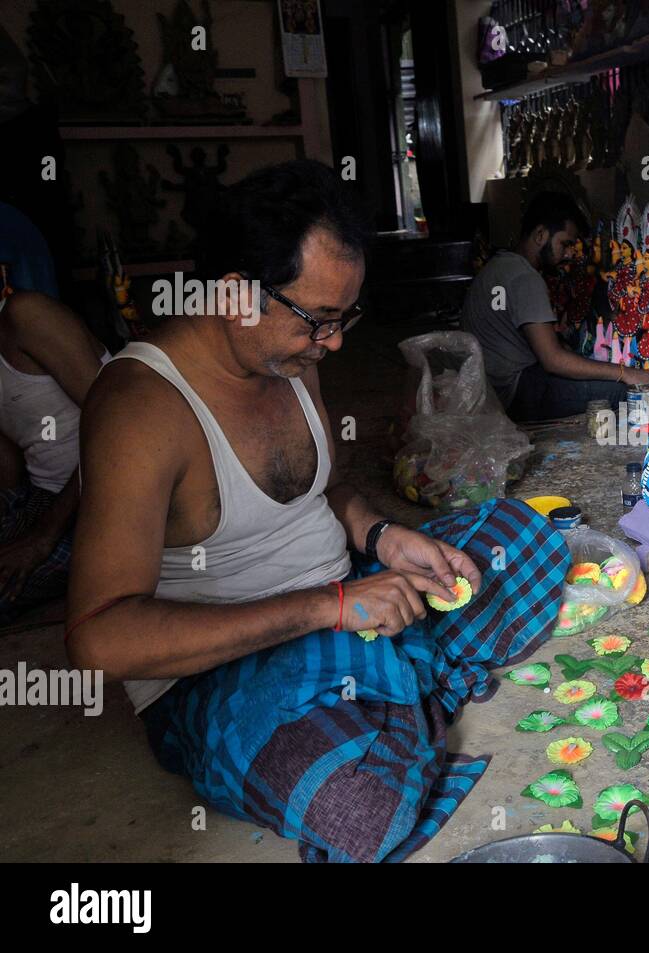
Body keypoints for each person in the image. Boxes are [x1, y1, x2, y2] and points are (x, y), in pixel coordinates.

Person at [65, 160, 567, 862]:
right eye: (319, 320)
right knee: (359, 807)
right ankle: (404, 683)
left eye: (342, 320)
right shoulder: (139, 407)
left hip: (347, 598)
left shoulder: (291, 358)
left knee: (528, 541)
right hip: (228, 670)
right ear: (238, 295)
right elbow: (98, 640)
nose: (332, 344)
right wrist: (328, 607)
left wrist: (385, 537)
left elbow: (322, 489)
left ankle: (389, 692)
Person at [461, 190, 649, 420]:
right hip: (513, 393)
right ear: (540, 234)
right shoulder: (524, 277)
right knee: (623, 392)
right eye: (564, 244)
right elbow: (553, 360)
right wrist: (625, 373)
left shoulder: (500, 265)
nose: (568, 254)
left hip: (491, 387)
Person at [0, 273, 109, 621]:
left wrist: (42, 536)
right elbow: (10, 470)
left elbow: (125, 426)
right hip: (46, 497)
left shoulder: (26, 316)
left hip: (109, 494)